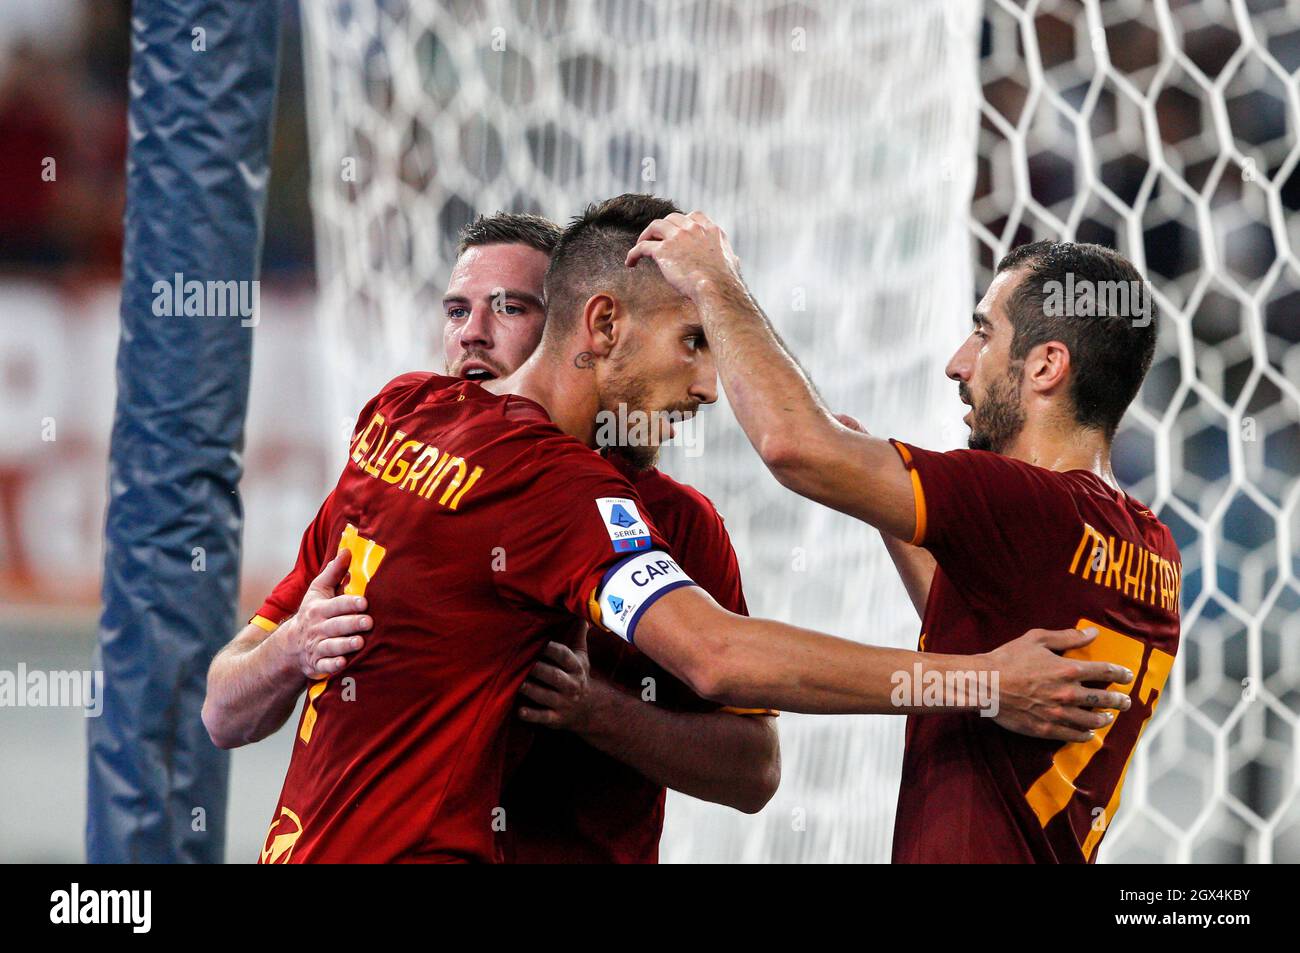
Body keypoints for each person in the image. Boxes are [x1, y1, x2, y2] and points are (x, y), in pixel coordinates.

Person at [205, 195, 1134, 863]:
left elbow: (216, 707)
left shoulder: (401, 411)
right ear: (602, 324)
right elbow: (719, 653)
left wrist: (599, 711)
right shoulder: (561, 487)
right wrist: (977, 684)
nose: (704, 386)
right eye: (693, 344)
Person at [209, 210, 779, 864]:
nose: (473, 335)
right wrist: (291, 648)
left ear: (580, 326)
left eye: (509, 308)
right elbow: (223, 711)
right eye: (456, 311)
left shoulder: (677, 524)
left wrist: (598, 710)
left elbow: (755, 767)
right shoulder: (401, 470)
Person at [626, 213, 1180, 863]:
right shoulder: (1153, 548)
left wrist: (713, 278)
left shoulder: (1021, 503)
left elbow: (792, 446)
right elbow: (979, 620)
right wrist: (871, 492)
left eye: (982, 333)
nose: (957, 363)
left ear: (1047, 366)